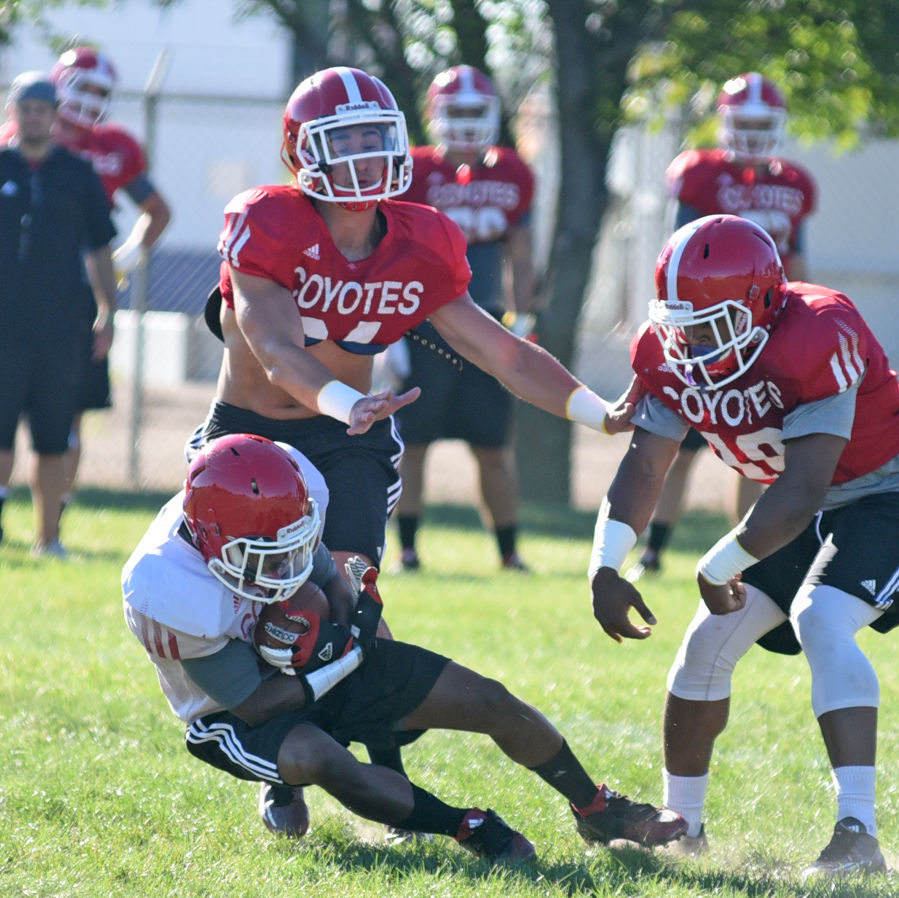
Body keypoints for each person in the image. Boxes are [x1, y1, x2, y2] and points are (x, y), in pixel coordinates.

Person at [190, 65, 634, 835]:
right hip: (250, 437)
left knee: (349, 602)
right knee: (260, 605)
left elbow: (504, 353)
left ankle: (388, 781)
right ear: (302, 153)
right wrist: (346, 400)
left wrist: (599, 412)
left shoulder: (421, 237)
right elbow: (274, 351)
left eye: (376, 138)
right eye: (345, 141)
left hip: (347, 441)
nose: (365, 156)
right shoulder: (268, 220)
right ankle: (285, 769)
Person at [588, 214, 899, 875]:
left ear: (762, 304)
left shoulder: (816, 331)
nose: (692, 342)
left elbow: (804, 487)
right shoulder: (667, 354)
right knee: (706, 643)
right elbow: (645, 467)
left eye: (712, 324)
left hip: (894, 488)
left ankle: (858, 836)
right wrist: (604, 567)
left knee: (822, 617)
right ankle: (683, 829)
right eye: (682, 324)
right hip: (803, 502)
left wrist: (718, 564)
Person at [122, 433, 687, 859]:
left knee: (487, 699)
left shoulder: (290, 493)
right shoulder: (166, 585)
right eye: (265, 555)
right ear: (213, 542)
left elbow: (327, 579)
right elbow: (251, 701)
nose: (284, 566)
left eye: (289, 545)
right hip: (236, 714)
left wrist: (351, 613)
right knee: (320, 758)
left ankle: (595, 807)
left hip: (319, 661)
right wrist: (344, 655)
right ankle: (463, 825)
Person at [628, 73, 817, 580]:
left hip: (765, 329)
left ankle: (751, 554)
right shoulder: (701, 174)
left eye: (761, 123)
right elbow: (675, 258)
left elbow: (797, 258)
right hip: (707, 331)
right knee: (682, 446)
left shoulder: (793, 184)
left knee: (761, 449)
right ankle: (653, 550)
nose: (752, 133)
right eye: (744, 122)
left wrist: (803, 314)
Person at [392, 65, 538, 572]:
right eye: (457, 110)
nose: (467, 121)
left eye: (476, 110)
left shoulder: (513, 173)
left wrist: (525, 318)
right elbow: (390, 251)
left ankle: (509, 553)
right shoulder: (410, 170)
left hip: (488, 323)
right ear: (434, 114)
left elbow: (521, 252)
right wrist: (390, 329)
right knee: (412, 441)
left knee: (493, 445)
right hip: (423, 324)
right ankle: (407, 550)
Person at [48, 47, 172, 526]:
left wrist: (126, 259)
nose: (91, 99)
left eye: (101, 91)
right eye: (85, 87)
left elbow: (157, 211)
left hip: (80, 294)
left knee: (70, 411)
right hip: (19, 290)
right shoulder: (19, 139)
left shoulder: (113, 147)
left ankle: (54, 515)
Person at [0, 72, 117, 556]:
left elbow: (100, 247)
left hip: (60, 329)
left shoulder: (78, 174)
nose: (33, 117)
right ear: (13, 113)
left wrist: (108, 311)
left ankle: (49, 539)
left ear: (55, 117)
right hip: (4, 328)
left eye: (41, 110)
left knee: (53, 438)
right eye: (25, 109)